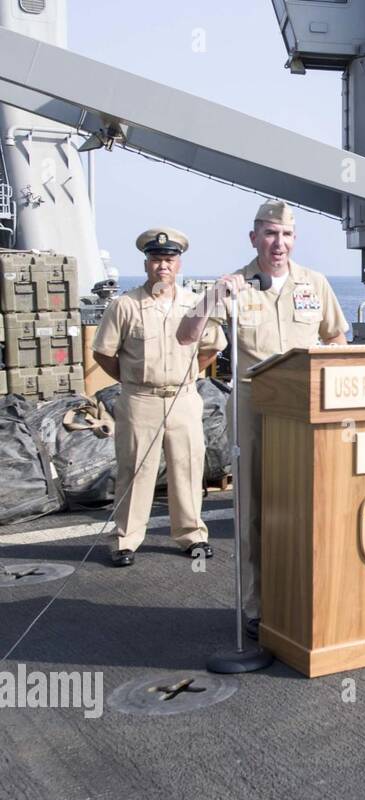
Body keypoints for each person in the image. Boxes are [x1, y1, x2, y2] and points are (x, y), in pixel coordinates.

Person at [177, 200, 348, 636]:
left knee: (310, 505)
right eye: (270, 234)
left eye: (287, 235)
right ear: (254, 238)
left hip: (306, 409)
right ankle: (257, 606)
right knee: (253, 509)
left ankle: (306, 597)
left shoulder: (316, 283)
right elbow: (186, 335)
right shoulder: (237, 286)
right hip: (254, 406)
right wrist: (213, 297)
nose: (279, 243)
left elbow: (337, 336)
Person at [93, 228, 224, 568]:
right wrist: (133, 380)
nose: (162, 266)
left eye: (169, 259)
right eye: (156, 259)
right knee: (135, 470)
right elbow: (104, 353)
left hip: (183, 398)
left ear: (178, 264)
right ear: (146, 263)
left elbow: (210, 348)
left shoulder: (194, 306)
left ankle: (192, 534)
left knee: (188, 467)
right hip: (140, 399)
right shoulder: (125, 306)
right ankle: (125, 539)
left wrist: (189, 375)